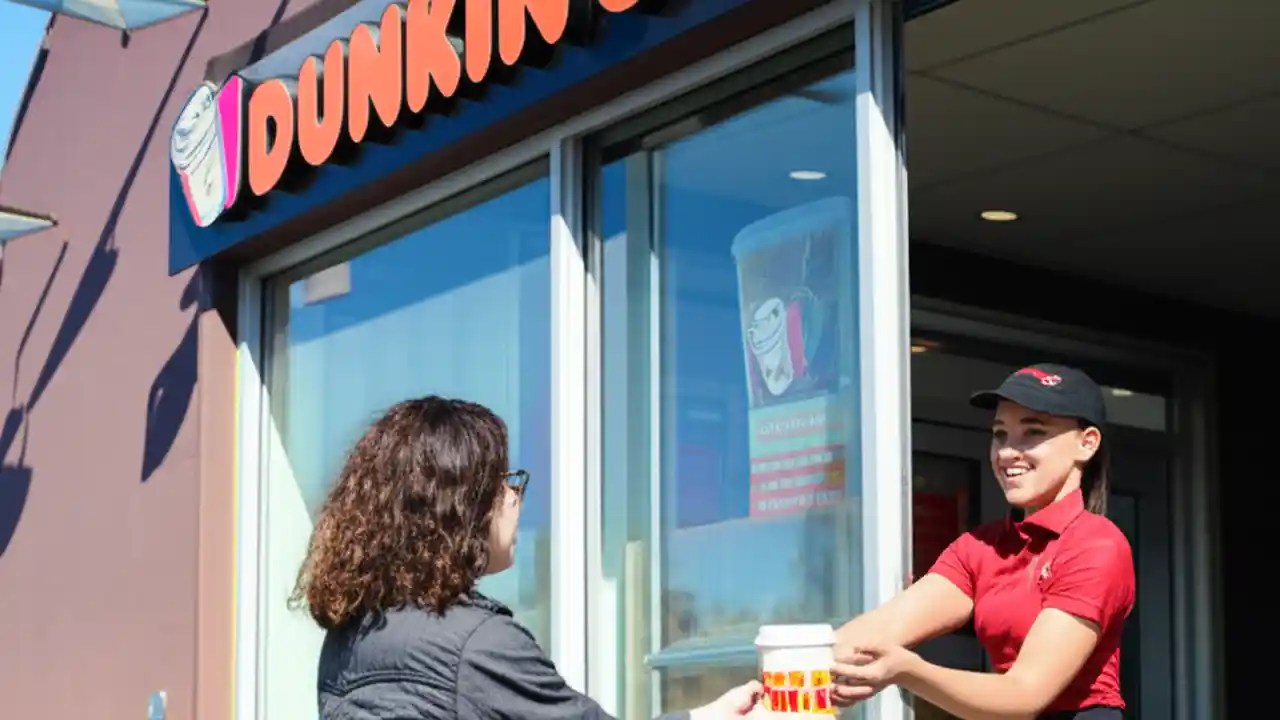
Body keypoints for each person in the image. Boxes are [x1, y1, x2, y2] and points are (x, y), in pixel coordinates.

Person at [290, 396, 763, 719]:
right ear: (461, 507)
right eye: (503, 482)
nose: (515, 498)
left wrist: (705, 714)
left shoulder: (352, 636)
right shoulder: (475, 644)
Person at [831, 363, 1136, 720]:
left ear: (1087, 444)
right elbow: (874, 633)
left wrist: (907, 670)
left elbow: (1026, 694)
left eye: (1033, 432)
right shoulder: (981, 546)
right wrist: (777, 677)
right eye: (1000, 434)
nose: (1007, 452)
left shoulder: (1096, 545)